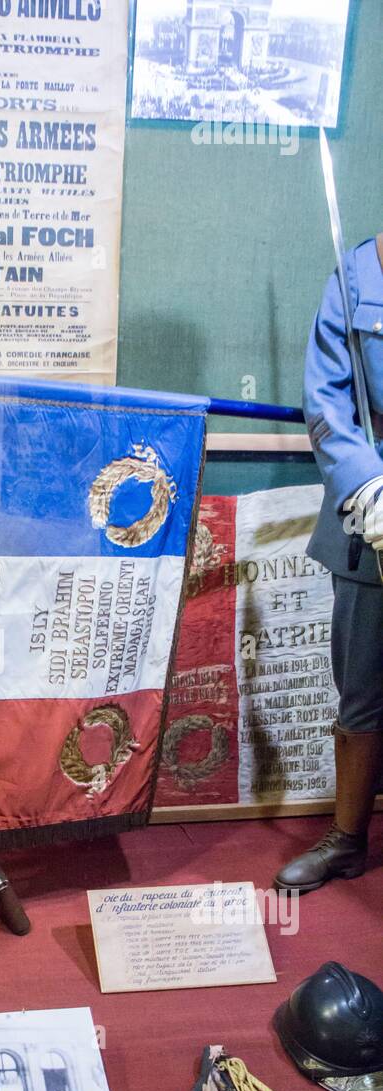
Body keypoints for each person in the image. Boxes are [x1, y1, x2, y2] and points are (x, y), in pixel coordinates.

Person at [275, 234, 383, 893]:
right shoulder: (359, 272)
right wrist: (366, 488)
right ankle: (347, 840)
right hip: (374, 504)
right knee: (363, 687)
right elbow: (325, 398)